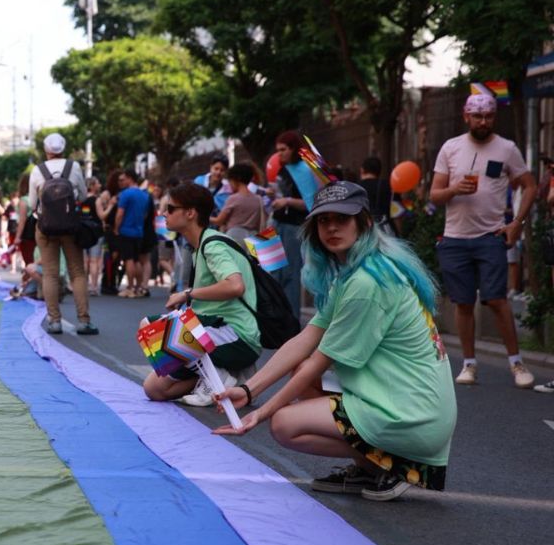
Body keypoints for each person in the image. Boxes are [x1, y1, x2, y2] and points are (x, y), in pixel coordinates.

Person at [214, 181, 456, 502]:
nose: (331, 227)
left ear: (365, 222)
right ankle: (374, 466)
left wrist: (264, 412)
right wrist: (248, 390)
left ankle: (393, 465)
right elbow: (305, 340)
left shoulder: (367, 282)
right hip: (409, 404)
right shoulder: (359, 270)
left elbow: (319, 360)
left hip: (410, 414)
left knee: (284, 424)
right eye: (323, 220)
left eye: (342, 219)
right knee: (302, 372)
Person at [429, 92, 537, 388]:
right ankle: (469, 365)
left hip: (491, 236)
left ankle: (517, 363)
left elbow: (530, 185)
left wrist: (517, 223)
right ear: (466, 117)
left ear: (494, 117)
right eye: (477, 116)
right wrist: (454, 190)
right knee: (463, 303)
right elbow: (434, 195)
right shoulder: (450, 148)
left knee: (497, 300)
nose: (483, 121)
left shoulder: (507, 148)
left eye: (488, 116)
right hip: (455, 238)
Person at [143, 182, 261, 408]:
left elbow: (235, 286)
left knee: (149, 326)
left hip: (236, 334)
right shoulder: (201, 245)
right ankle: (227, 374)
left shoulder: (212, 245)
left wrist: (187, 294)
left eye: (170, 208)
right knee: (154, 389)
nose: (163, 213)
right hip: (212, 329)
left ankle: (222, 373)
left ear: (190, 213)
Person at [27, 133, 97, 335]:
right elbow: (83, 196)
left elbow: (32, 204)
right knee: (77, 272)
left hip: (46, 228)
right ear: (63, 149)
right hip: (70, 226)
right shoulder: (73, 167)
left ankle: (54, 321)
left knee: (50, 273)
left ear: (46, 150)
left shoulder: (37, 171)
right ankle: (84, 321)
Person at [270, 131, 310, 320]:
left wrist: (287, 201)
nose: (280, 154)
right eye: (278, 150)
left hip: (293, 226)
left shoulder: (305, 169)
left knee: (291, 274)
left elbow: (310, 203)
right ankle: (276, 317)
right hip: (276, 223)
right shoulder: (282, 169)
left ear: (294, 149)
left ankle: (291, 320)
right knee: (272, 271)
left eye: (283, 150)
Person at [114, 170, 149, 298]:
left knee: (128, 259)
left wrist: (116, 228)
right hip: (139, 231)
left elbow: (120, 213)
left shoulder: (125, 194)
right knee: (137, 260)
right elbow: (145, 214)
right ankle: (139, 287)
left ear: (130, 178)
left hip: (126, 230)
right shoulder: (144, 195)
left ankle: (130, 287)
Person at [215, 163, 262, 242]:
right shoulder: (258, 199)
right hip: (253, 237)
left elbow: (219, 220)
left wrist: (203, 217)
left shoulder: (233, 199)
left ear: (236, 179)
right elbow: (261, 223)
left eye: (230, 181)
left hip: (234, 236)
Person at [83, 177, 105, 295]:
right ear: (92, 185)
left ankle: (84, 285)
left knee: (84, 261)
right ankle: (94, 286)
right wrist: (110, 206)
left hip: (82, 232)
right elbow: (101, 216)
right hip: (95, 232)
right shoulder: (97, 200)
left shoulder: (81, 199)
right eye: (97, 183)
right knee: (94, 261)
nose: (100, 185)